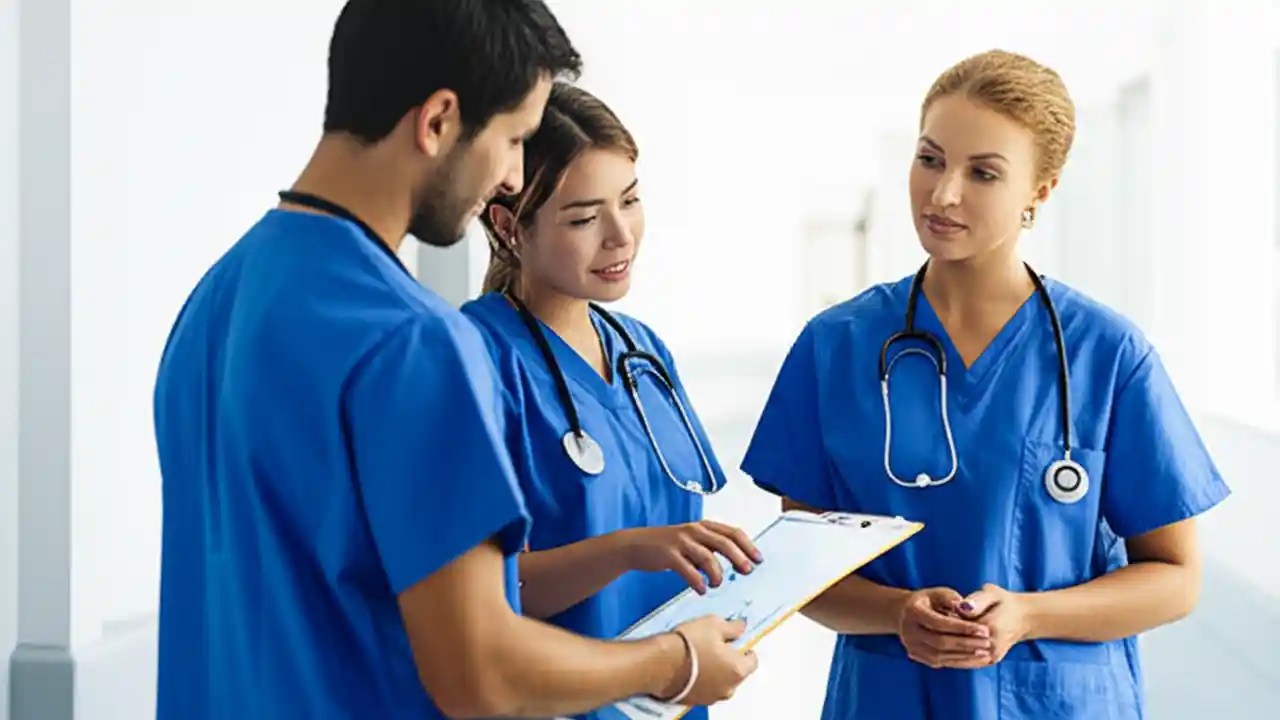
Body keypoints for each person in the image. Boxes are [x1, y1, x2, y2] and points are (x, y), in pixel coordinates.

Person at [152, 2, 756, 719]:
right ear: (438, 121)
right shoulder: (414, 341)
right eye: (511, 140)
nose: (508, 178)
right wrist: (677, 662)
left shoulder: (215, 301)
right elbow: (480, 671)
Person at [741, 49, 1231, 719]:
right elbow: (796, 566)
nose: (943, 194)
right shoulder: (837, 346)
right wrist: (895, 612)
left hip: (1056, 701)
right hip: (890, 699)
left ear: (1042, 189)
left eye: (984, 173)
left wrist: (1029, 615)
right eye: (931, 159)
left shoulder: (1106, 354)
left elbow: (1175, 580)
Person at [461, 82, 761, 720]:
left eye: (630, 201)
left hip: (675, 698)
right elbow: (480, 597)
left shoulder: (641, 352)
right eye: (583, 217)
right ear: (509, 226)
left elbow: (681, 540)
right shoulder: (474, 358)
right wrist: (628, 548)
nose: (620, 236)